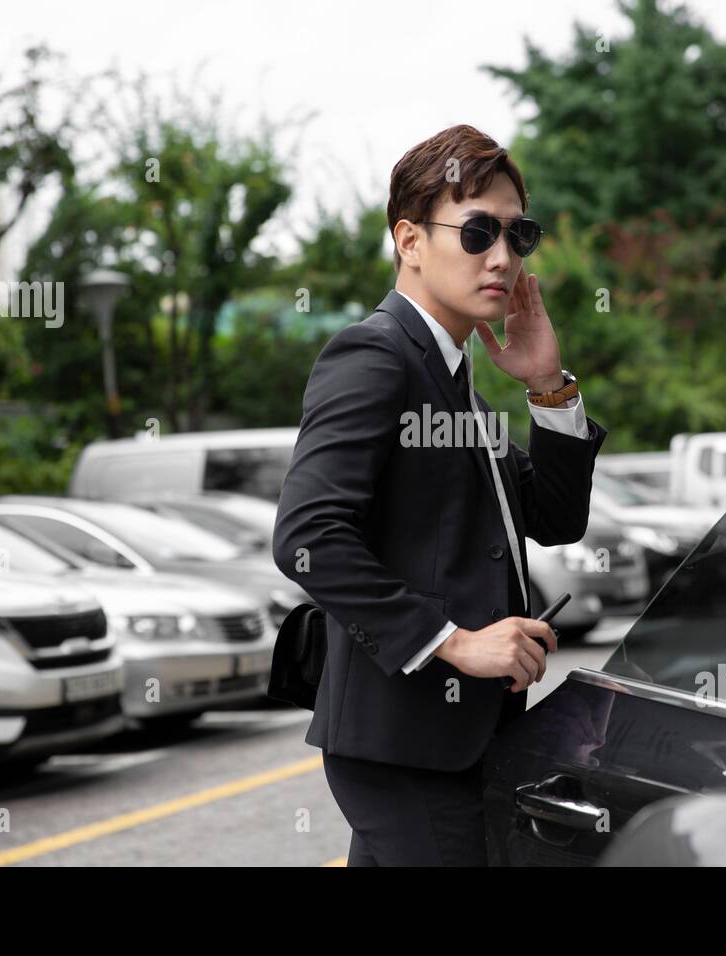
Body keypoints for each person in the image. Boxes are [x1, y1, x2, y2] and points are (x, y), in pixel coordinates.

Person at [272, 124, 606, 864]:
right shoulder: (375, 355)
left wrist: (548, 387)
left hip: (451, 743)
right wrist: (454, 642)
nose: (502, 256)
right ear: (410, 240)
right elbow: (307, 536)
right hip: (406, 749)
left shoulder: (458, 386)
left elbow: (555, 519)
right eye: (477, 229)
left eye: (520, 235)